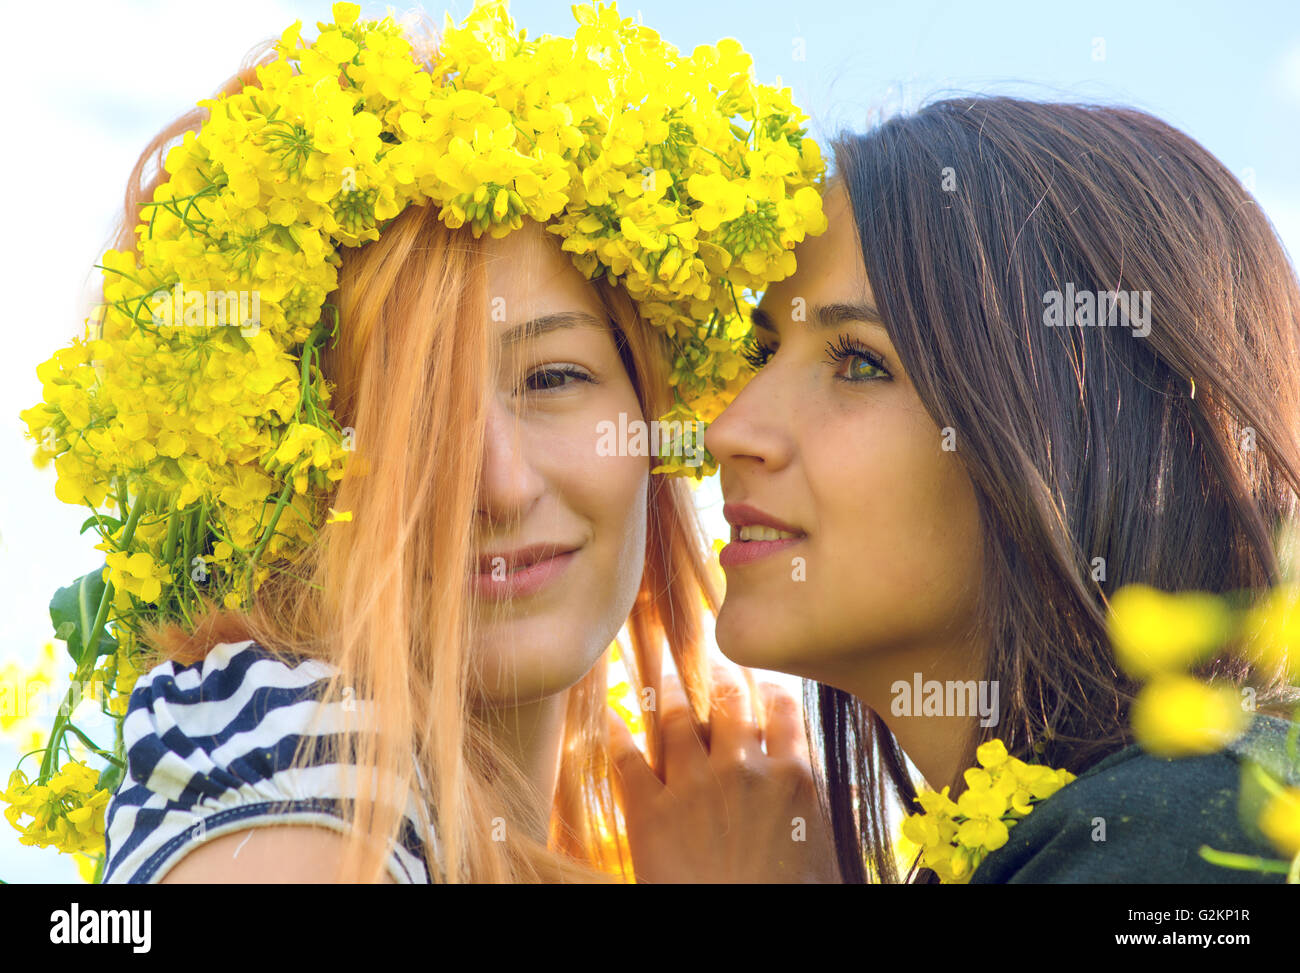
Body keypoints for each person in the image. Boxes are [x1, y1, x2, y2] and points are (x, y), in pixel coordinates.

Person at [94, 1, 835, 884]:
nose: (502, 483)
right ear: (273, 476)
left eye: (553, 378)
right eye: (410, 418)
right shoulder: (296, 763)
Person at [626, 95, 1300, 882]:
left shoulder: (1204, 822)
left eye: (860, 362)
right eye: (764, 351)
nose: (729, 430)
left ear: (1076, 429)